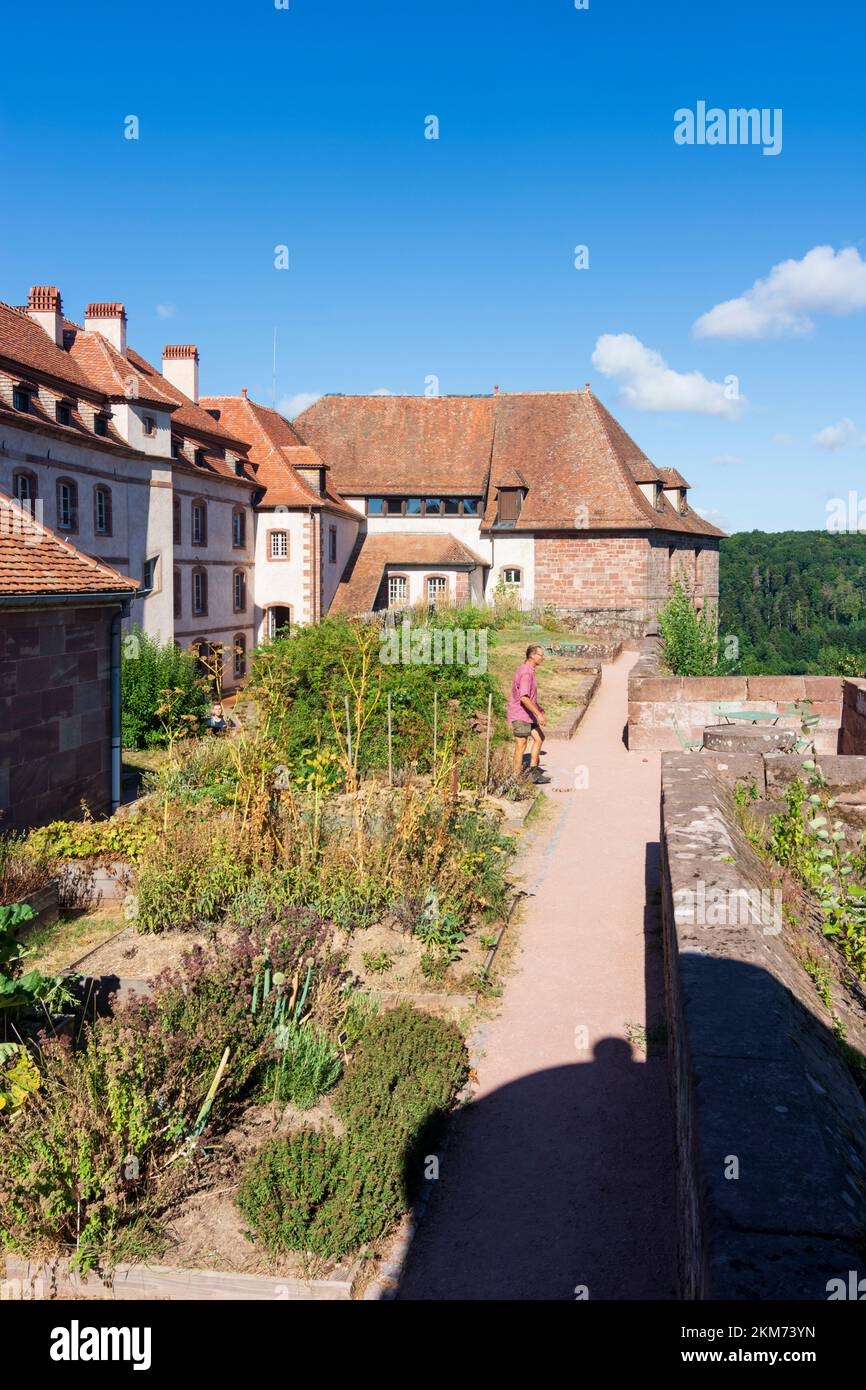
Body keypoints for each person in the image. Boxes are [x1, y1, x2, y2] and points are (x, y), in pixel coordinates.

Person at [507, 644, 549, 783]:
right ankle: (516, 778)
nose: (543, 658)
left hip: (528, 715)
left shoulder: (529, 670)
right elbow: (524, 698)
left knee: (539, 738)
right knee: (521, 745)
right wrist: (538, 714)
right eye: (541, 655)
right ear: (532, 655)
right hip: (520, 714)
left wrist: (539, 710)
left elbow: (529, 697)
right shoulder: (526, 673)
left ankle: (533, 772)